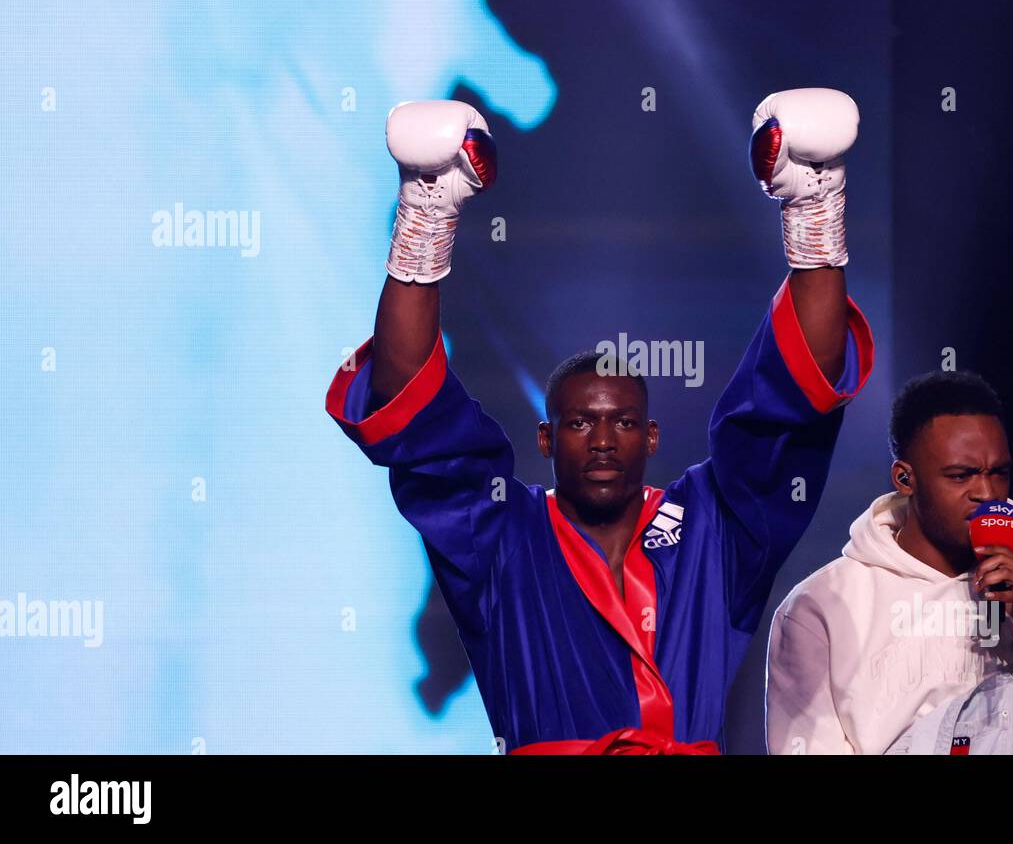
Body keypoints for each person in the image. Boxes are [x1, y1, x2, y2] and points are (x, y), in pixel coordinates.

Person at [326, 90, 875, 753]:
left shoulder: (712, 529)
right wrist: (424, 217)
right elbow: (409, 404)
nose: (602, 439)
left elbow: (792, 400)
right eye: (581, 424)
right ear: (546, 438)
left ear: (650, 438)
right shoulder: (501, 535)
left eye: (620, 424)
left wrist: (815, 209)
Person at [765, 370, 1013, 754]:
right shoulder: (821, 605)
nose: (986, 492)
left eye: (999, 473)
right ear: (904, 478)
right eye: (960, 476)